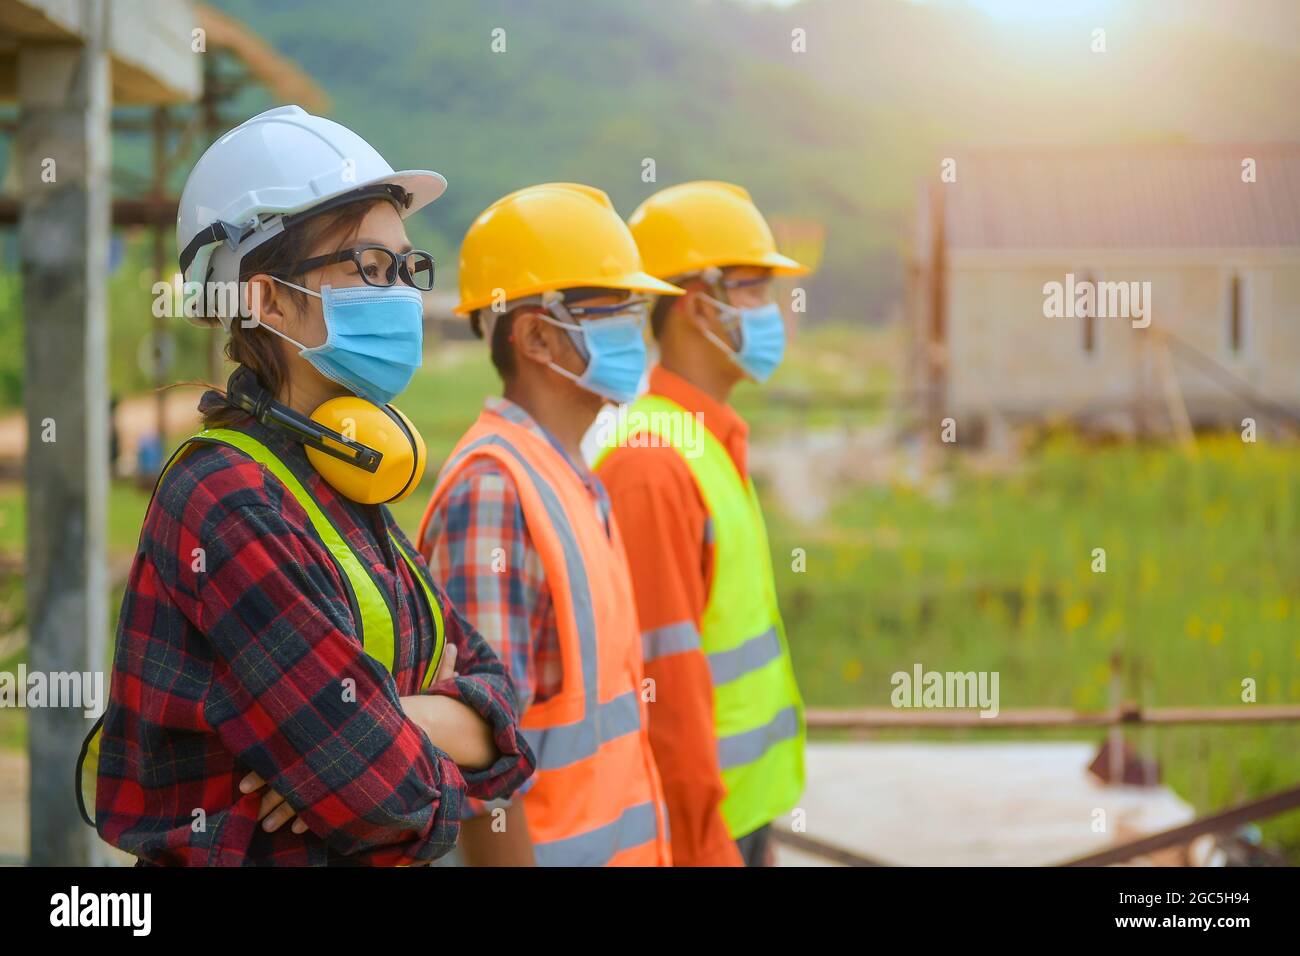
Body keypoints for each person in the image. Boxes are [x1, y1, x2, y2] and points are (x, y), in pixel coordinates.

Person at [81, 106, 533, 866]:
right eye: (369, 267)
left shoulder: (337, 468)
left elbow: (503, 712)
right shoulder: (228, 498)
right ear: (265, 298)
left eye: (405, 268)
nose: (401, 293)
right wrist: (425, 736)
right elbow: (387, 801)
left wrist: (382, 730)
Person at [417, 183, 678, 866]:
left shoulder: (566, 476)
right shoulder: (494, 494)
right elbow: (483, 777)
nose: (636, 330)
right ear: (535, 335)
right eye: (615, 310)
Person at [595, 181, 807, 867]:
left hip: (745, 812)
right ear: (696, 305)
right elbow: (662, 696)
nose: (771, 313)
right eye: (753, 290)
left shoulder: (707, 441)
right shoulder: (652, 465)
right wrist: (699, 847)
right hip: (704, 839)